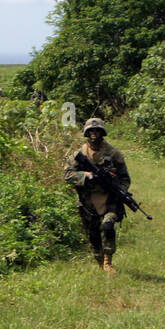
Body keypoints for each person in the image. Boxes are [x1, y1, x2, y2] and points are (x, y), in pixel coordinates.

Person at [64, 117, 130, 273]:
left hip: (109, 199)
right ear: (87, 132)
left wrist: (119, 190)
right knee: (93, 233)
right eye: (91, 131)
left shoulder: (113, 153)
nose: (94, 133)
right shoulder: (79, 154)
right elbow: (67, 175)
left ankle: (108, 261)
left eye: (97, 130)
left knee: (107, 226)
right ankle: (99, 259)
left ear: (102, 132)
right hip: (88, 200)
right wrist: (85, 175)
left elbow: (125, 178)